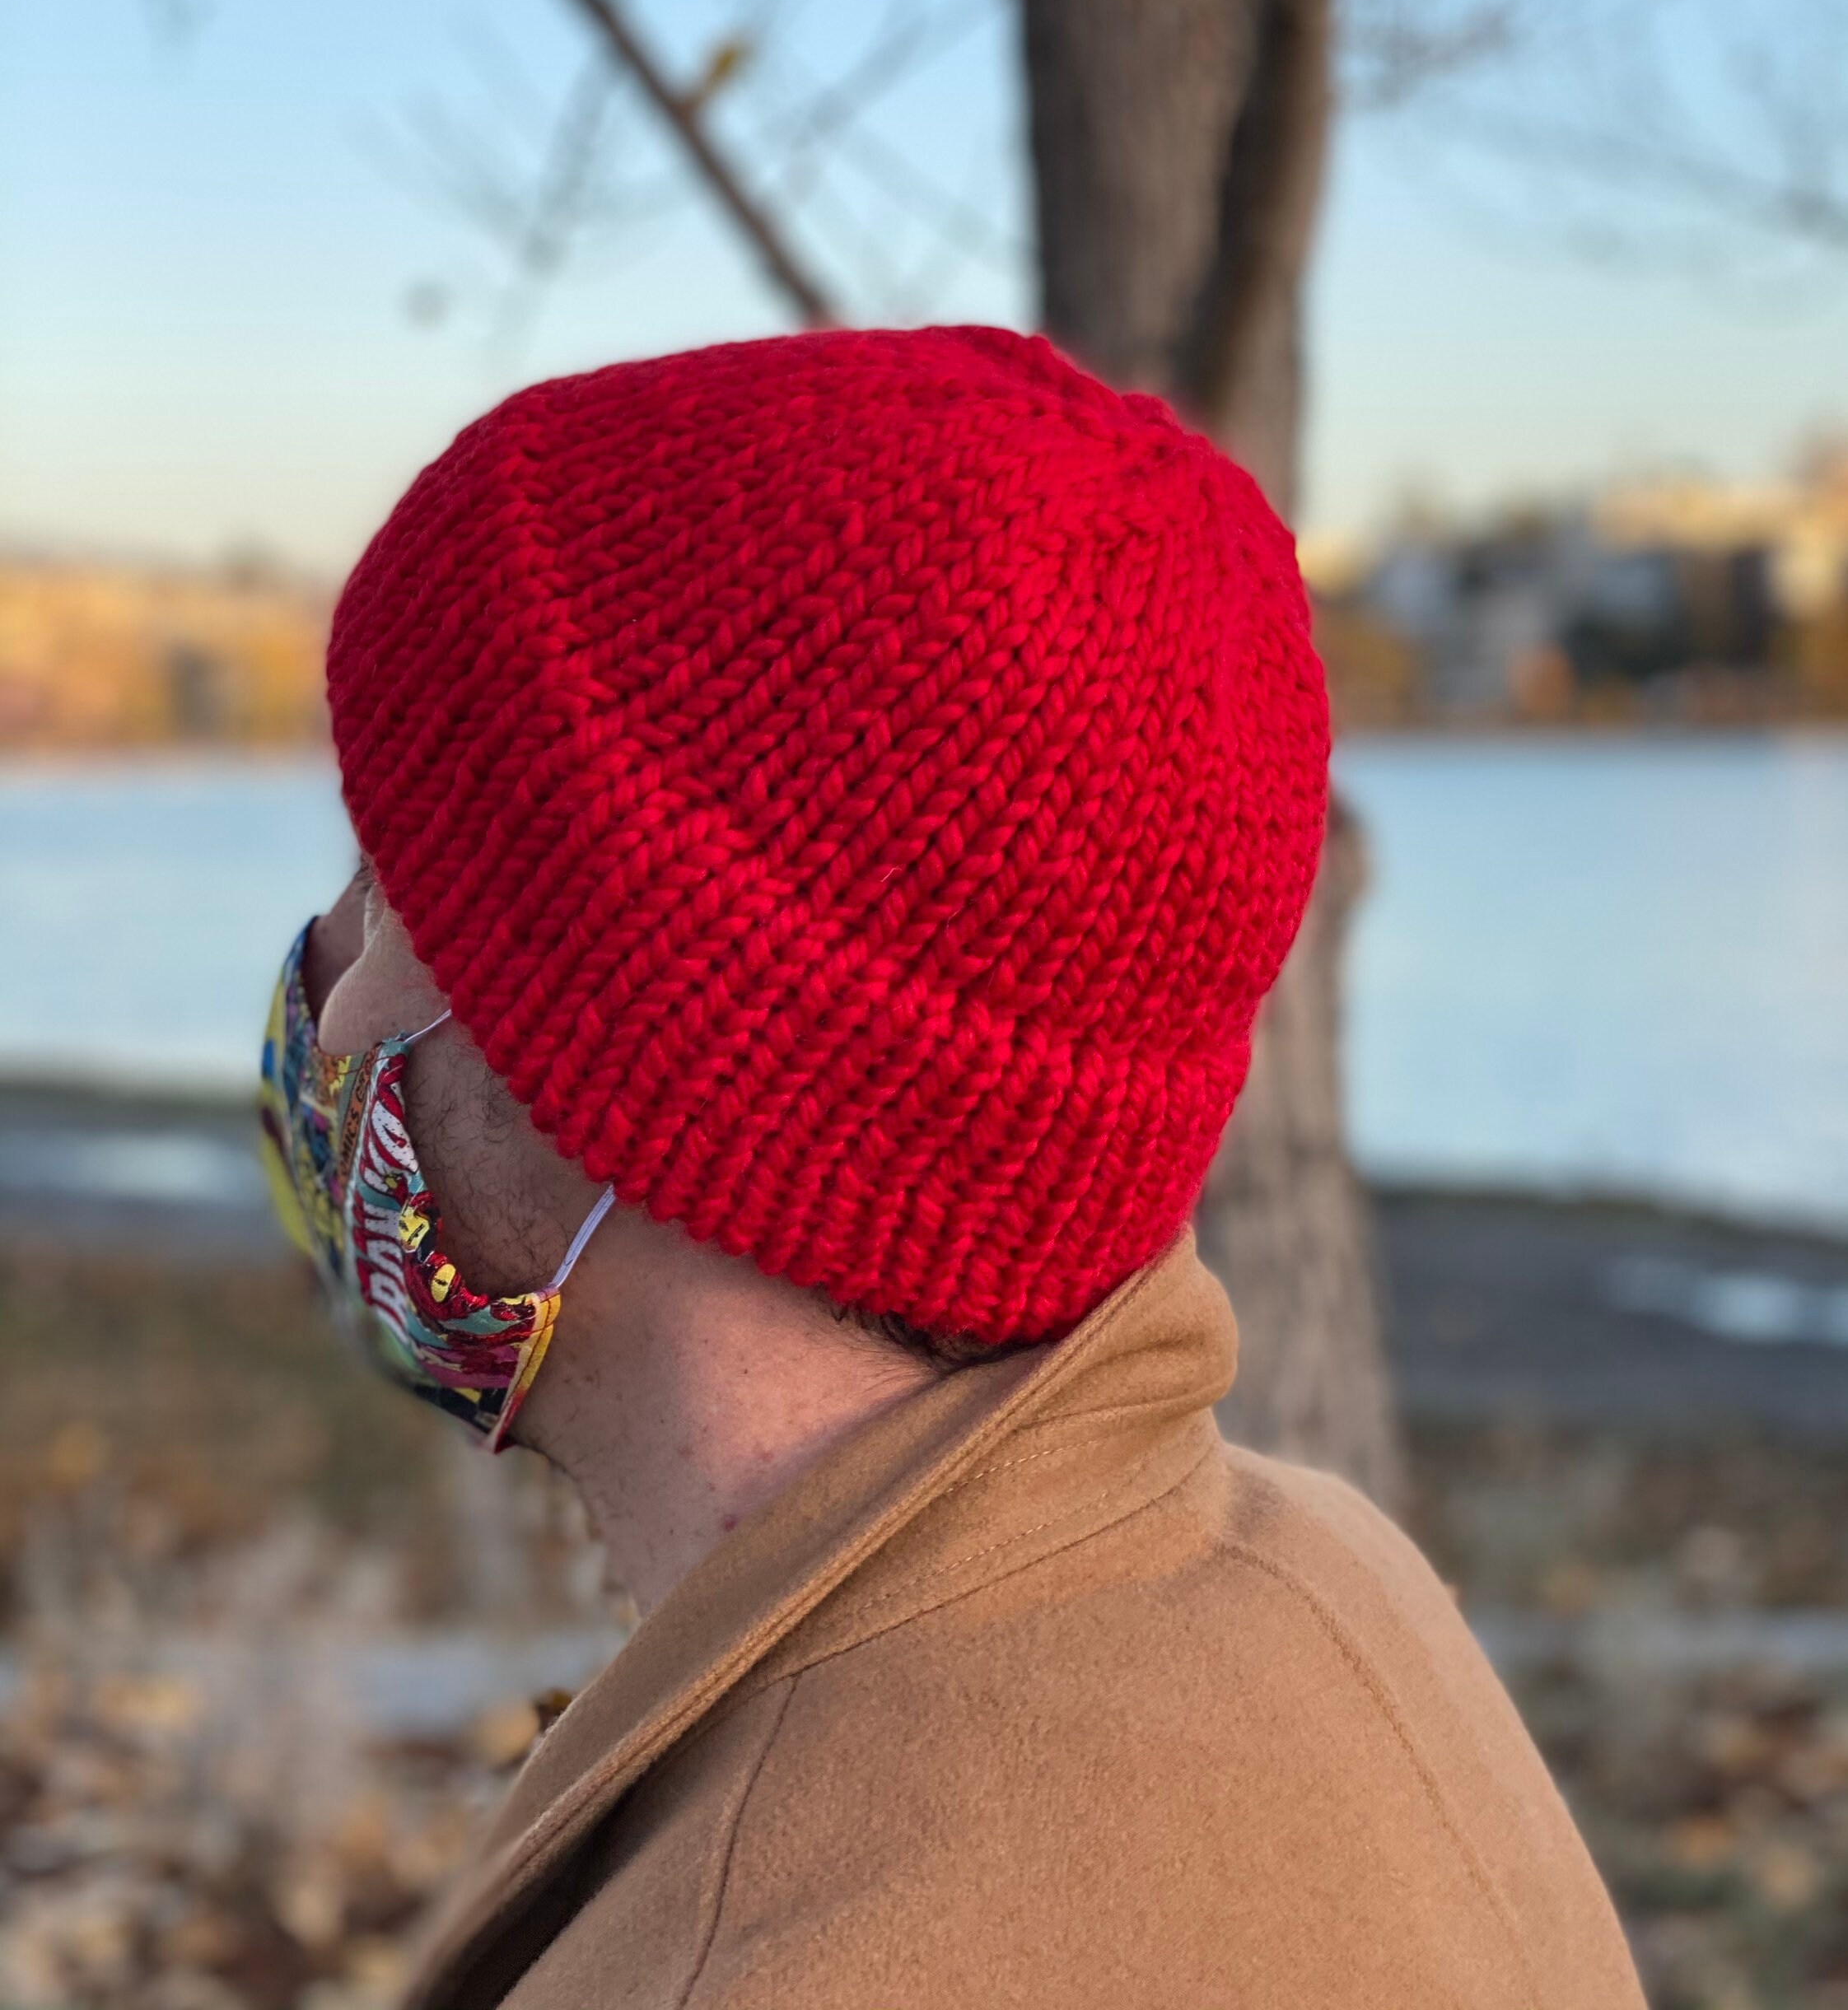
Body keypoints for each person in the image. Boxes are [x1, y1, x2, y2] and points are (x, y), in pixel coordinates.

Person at [261, 325, 1645, 2009]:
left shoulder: (774, 1957)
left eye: (389, 867)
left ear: (643, 1050)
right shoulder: (1332, 1589)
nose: (327, 974)